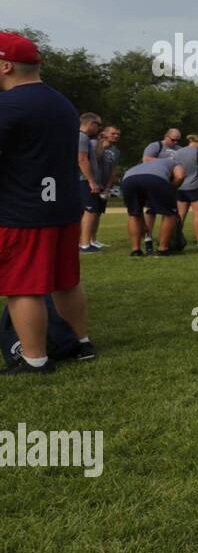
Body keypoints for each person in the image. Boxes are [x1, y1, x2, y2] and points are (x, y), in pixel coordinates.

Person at [0, 32, 95, 374]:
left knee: (22, 287)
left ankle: (34, 358)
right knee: (66, 279)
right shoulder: (62, 103)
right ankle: (80, 342)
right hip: (62, 206)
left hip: (24, 208)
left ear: (6, 65)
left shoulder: (9, 104)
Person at [120, 155, 186, 256]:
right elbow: (180, 176)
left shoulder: (144, 165)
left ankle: (136, 250)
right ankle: (162, 249)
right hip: (155, 179)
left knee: (134, 214)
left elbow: (139, 211)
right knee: (170, 214)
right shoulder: (174, 163)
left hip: (128, 180)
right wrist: (171, 188)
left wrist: (144, 224)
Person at [89, 125, 122, 250]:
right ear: (104, 133)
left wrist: (108, 187)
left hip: (104, 185)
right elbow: (95, 158)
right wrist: (102, 143)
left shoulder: (116, 151)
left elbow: (113, 170)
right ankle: (84, 241)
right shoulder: (93, 144)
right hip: (92, 183)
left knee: (98, 213)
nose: (116, 136)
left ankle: (93, 239)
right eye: (113, 133)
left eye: (118, 134)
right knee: (89, 212)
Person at [76, 113, 103, 254]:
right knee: (90, 210)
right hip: (83, 180)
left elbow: (94, 157)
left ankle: (81, 242)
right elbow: (81, 160)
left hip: (80, 180)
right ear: (91, 123)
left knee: (85, 212)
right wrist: (92, 181)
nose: (99, 129)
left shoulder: (83, 138)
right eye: (98, 125)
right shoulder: (81, 137)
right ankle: (85, 245)